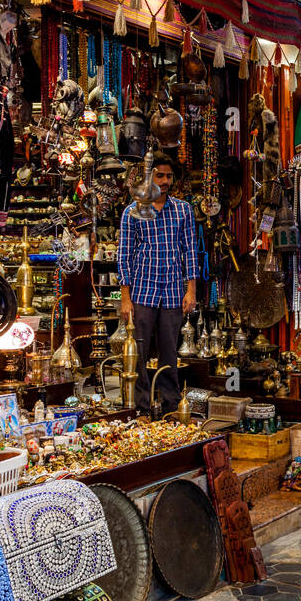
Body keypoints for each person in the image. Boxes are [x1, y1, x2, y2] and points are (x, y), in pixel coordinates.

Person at [117, 154, 199, 413]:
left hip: (174, 291)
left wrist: (191, 290)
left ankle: (170, 403)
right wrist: (125, 297)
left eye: (168, 176)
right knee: (139, 351)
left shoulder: (182, 209)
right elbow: (124, 254)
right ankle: (141, 405)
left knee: (169, 350)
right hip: (143, 291)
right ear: (150, 176)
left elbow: (190, 251)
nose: (164, 181)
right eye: (159, 176)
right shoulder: (133, 211)